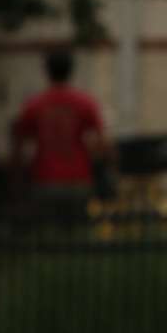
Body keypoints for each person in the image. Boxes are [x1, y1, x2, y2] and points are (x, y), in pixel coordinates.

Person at [13, 48, 107, 217]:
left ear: (46, 71)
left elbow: (19, 147)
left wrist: (19, 179)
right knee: (77, 235)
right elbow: (102, 144)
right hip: (79, 178)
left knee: (49, 236)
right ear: (71, 70)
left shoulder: (34, 105)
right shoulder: (85, 103)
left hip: (45, 177)